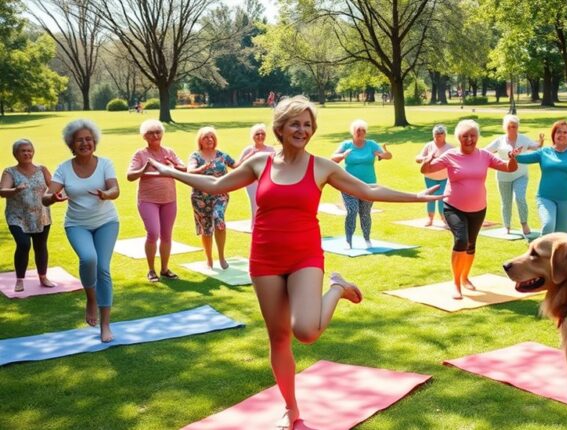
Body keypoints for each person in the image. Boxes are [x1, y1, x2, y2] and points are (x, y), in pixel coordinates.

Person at [145, 95, 442, 430]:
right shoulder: (260, 163)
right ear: (281, 128)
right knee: (279, 337)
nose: (302, 130)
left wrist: (416, 196)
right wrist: (171, 171)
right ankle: (290, 408)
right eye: (295, 124)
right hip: (265, 258)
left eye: (307, 124)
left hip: (305, 256)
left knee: (306, 331)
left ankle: (337, 289)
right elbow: (215, 185)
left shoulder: (322, 167)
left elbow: (368, 190)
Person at [421, 119, 519, 299]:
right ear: (458, 137)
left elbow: (508, 168)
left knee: (471, 244)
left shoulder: (484, 155)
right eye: (465, 136)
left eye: (473, 135)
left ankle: (465, 277)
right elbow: (426, 170)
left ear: (477, 137)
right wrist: (427, 160)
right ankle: (456, 283)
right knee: (461, 240)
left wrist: (512, 159)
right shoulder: (450, 155)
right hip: (453, 206)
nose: (469, 139)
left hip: (478, 208)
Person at [43, 119, 120, 342]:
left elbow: (115, 189)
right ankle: (91, 299)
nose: (85, 143)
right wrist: (53, 198)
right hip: (77, 224)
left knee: (103, 268)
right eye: (80, 140)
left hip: (107, 221)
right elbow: (46, 197)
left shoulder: (105, 163)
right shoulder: (64, 168)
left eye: (88, 139)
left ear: (94, 141)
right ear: (72, 144)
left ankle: (105, 325)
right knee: (88, 259)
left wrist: (107, 194)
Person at [126, 119, 186, 282]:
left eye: (158, 132)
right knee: (153, 233)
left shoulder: (169, 152)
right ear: (144, 136)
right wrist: (143, 169)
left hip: (169, 199)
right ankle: (151, 270)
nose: (155, 135)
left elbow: (184, 169)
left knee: (167, 235)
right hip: (148, 200)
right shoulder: (140, 154)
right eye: (151, 133)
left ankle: (165, 269)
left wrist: (173, 164)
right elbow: (130, 176)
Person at [0, 139, 55, 292]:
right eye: (22, 151)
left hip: (41, 215)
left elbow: (53, 186)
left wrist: (58, 195)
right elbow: (2, 191)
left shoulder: (42, 169)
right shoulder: (9, 172)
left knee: (40, 246)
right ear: (15, 154)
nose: (26, 153)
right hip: (17, 217)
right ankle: (20, 280)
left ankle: (43, 277)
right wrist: (15, 190)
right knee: (24, 244)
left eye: (29, 150)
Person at [331, 119, 393, 249]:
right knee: (352, 211)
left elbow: (387, 156)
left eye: (363, 130)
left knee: (365, 213)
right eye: (358, 130)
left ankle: (367, 239)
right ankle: (348, 240)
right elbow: (332, 159)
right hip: (349, 185)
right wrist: (343, 155)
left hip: (369, 185)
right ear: (353, 132)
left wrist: (385, 154)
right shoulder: (346, 144)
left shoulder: (371, 144)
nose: (360, 133)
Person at [484, 114, 541, 235]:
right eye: (509, 127)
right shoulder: (500, 140)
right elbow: (485, 151)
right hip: (503, 176)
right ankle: (507, 226)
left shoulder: (523, 139)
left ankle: (524, 224)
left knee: (520, 198)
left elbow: (534, 146)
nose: (512, 129)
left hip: (521, 174)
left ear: (518, 127)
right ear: (505, 127)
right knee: (506, 202)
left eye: (514, 126)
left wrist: (539, 143)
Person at [188, 127, 235, 269]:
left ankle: (221, 257)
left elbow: (237, 165)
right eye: (205, 137)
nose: (209, 140)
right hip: (200, 197)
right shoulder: (195, 156)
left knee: (218, 219)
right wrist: (201, 169)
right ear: (200, 141)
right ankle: (209, 259)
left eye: (211, 137)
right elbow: (190, 170)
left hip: (220, 195)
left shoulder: (222, 155)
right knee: (206, 228)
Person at [415, 124, 453, 226]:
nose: (439, 136)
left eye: (441, 133)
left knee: (442, 197)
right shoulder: (429, 146)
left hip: (444, 177)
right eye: (436, 134)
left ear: (445, 135)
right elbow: (418, 158)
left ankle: (444, 219)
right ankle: (430, 218)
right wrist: (426, 158)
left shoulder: (450, 148)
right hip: (429, 176)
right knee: (430, 197)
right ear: (433, 135)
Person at [236, 123, 275, 219]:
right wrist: (250, 155)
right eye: (257, 134)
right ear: (253, 136)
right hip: (252, 182)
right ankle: (254, 226)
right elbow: (238, 165)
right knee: (255, 204)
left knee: (268, 204)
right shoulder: (248, 150)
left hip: (267, 181)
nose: (260, 136)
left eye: (262, 134)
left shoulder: (271, 150)